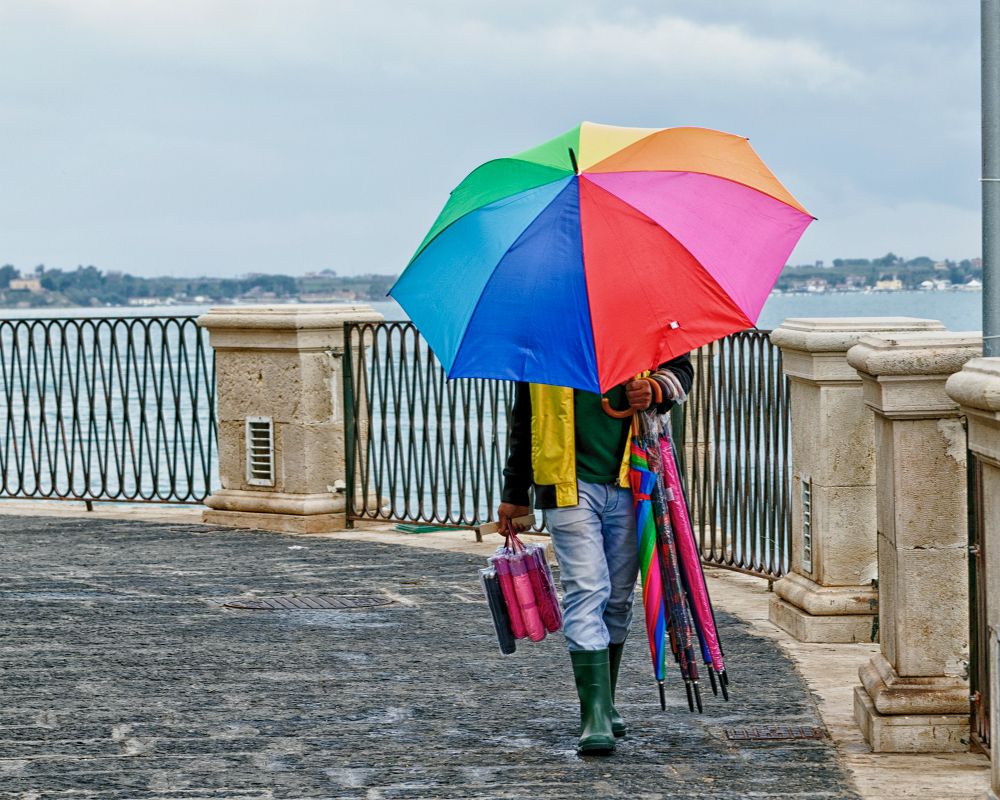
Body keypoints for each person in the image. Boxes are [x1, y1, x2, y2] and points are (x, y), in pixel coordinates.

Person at [497, 355, 693, 755]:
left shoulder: (644, 323)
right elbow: (525, 414)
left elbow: (682, 372)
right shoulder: (545, 335)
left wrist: (656, 389)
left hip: (635, 478)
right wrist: (515, 493)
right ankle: (595, 716)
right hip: (564, 483)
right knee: (587, 589)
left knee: (618, 598)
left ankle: (605, 699)